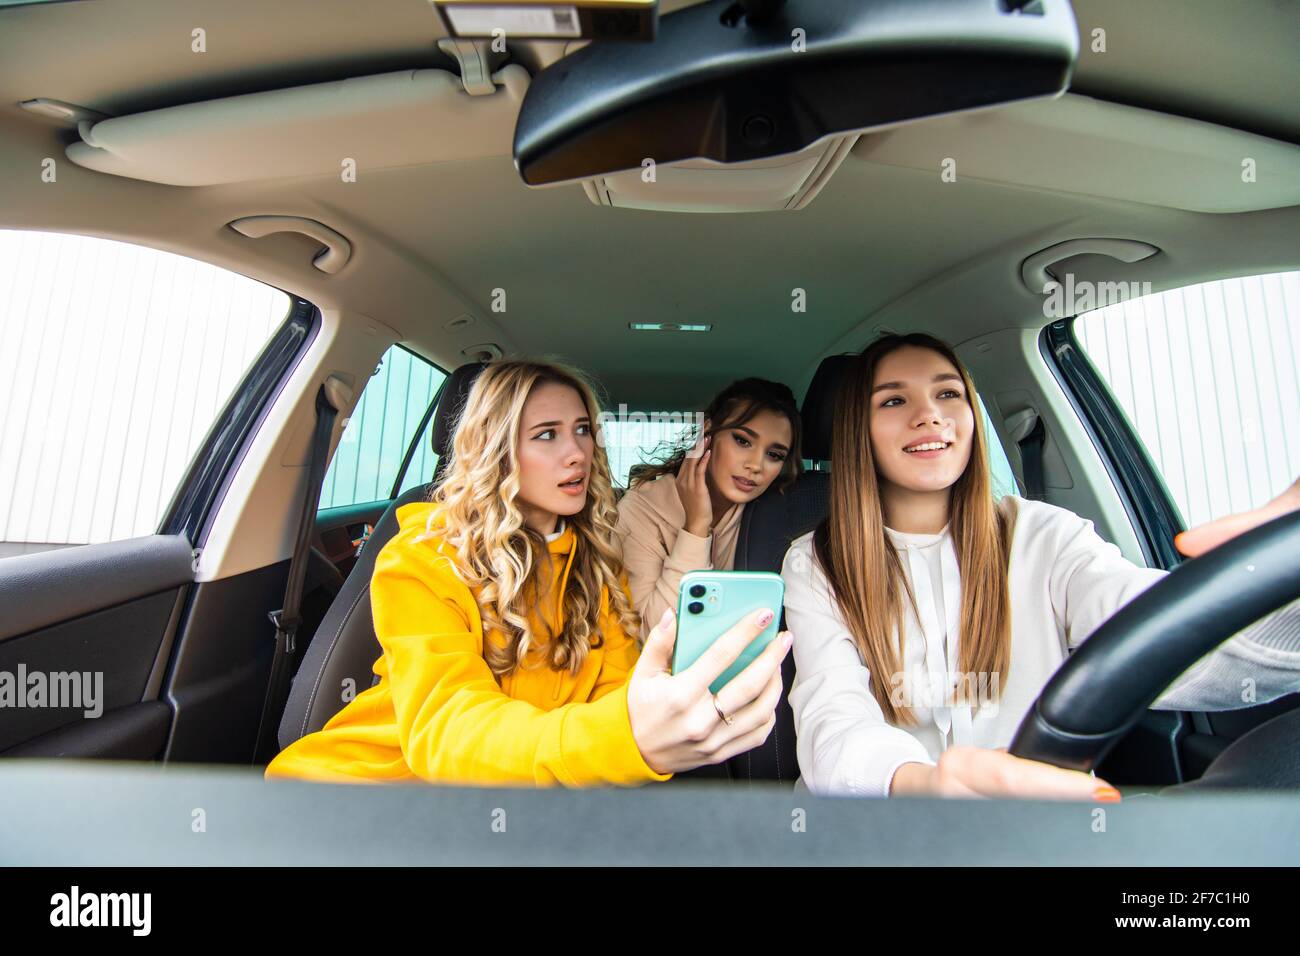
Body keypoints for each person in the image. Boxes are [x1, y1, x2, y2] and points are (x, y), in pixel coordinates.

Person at [782, 332, 1300, 799]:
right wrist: (920, 785)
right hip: (870, 829)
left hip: (1025, 827)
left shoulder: (1045, 535)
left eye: (948, 394)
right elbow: (832, 711)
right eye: (894, 400)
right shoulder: (815, 560)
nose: (930, 415)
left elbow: (1154, 633)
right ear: (858, 431)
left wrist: (1273, 585)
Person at [265, 359, 790, 786]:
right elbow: (448, 731)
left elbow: (618, 694)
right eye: (546, 435)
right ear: (497, 450)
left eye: (583, 430)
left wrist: (650, 727)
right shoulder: (421, 559)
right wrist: (626, 737)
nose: (577, 453)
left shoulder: (593, 566)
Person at [615, 378, 802, 639]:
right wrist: (696, 528)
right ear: (708, 435)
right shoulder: (640, 510)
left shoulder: (779, 515)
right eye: (743, 441)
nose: (756, 465)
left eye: (774, 455)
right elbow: (649, 635)